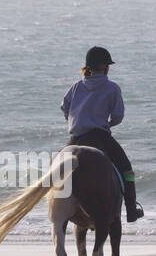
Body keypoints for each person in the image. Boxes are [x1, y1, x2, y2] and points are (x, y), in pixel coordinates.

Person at [60, 46, 144, 222]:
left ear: (88, 66)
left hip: (75, 138)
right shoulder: (112, 88)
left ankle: (56, 207)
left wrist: (74, 119)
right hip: (100, 136)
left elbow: (64, 107)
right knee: (127, 170)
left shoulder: (76, 86)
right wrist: (108, 123)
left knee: (56, 170)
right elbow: (118, 116)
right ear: (106, 66)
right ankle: (131, 209)